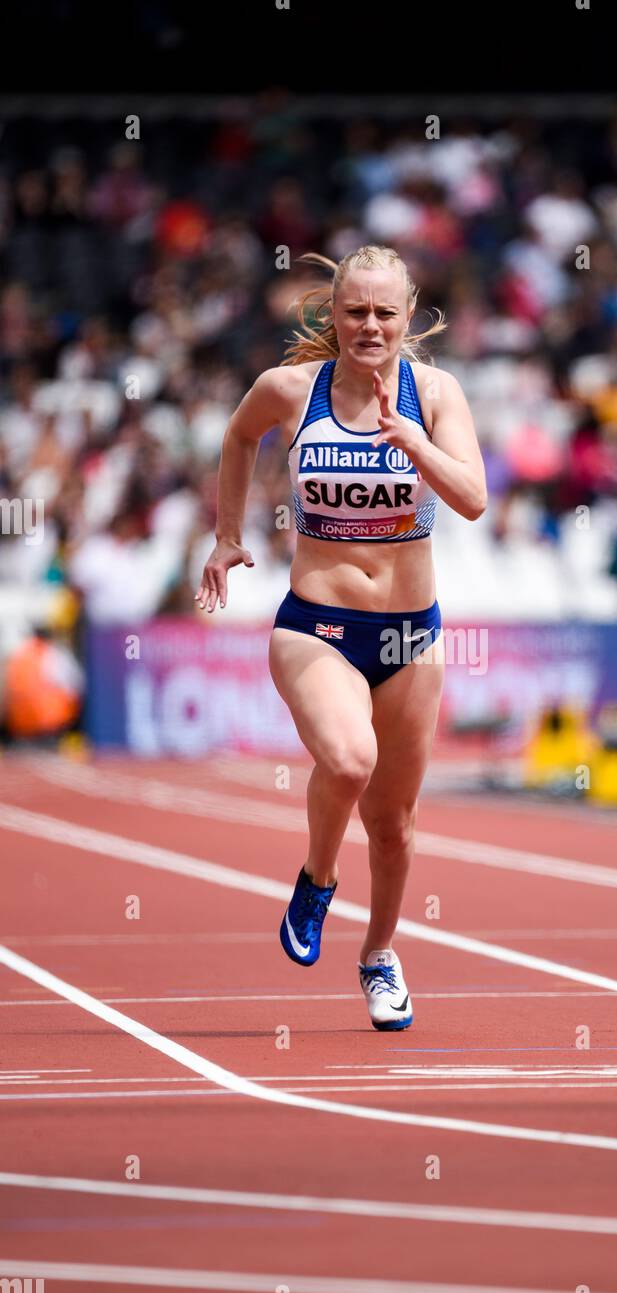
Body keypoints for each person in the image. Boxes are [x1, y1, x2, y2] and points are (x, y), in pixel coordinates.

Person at [196, 245, 486, 1029]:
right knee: (349, 759)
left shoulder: (436, 393)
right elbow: (236, 438)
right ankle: (317, 877)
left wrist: (414, 442)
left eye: (383, 312)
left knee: (392, 826)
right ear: (332, 313)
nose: (367, 325)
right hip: (315, 625)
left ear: (407, 315)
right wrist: (227, 535)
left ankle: (379, 955)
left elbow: (473, 499)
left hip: (409, 637)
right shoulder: (290, 390)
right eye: (353, 310)